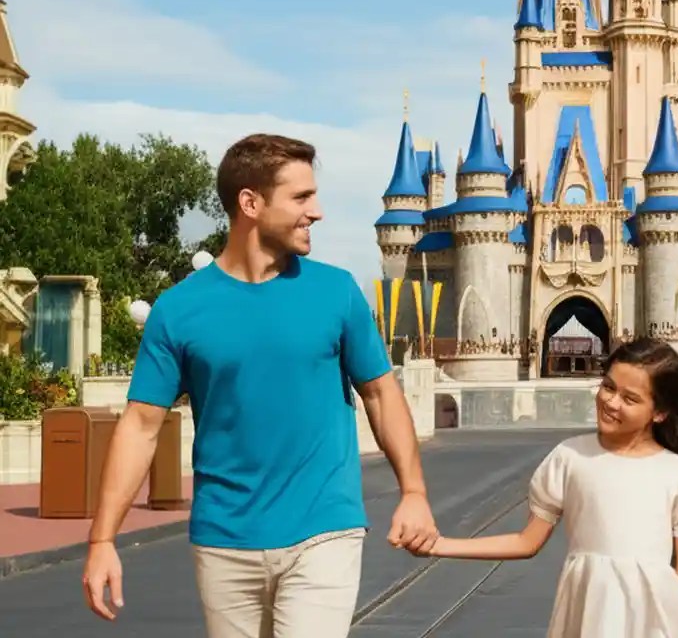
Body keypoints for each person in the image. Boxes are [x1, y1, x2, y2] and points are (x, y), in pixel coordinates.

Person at [81, 134, 439, 637]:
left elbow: (380, 392)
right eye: (300, 198)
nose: (317, 212)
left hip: (324, 530)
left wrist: (415, 491)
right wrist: (102, 541)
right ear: (250, 203)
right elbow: (141, 426)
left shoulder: (335, 292)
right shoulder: (179, 311)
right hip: (224, 537)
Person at [426, 337, 678, 637]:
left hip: (658, 623)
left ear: (659, 412)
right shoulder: (569, 457)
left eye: (630, 398)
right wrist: (440, 544)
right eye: (608, 387)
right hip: (589, 618)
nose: (611, 402)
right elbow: (526, 541)